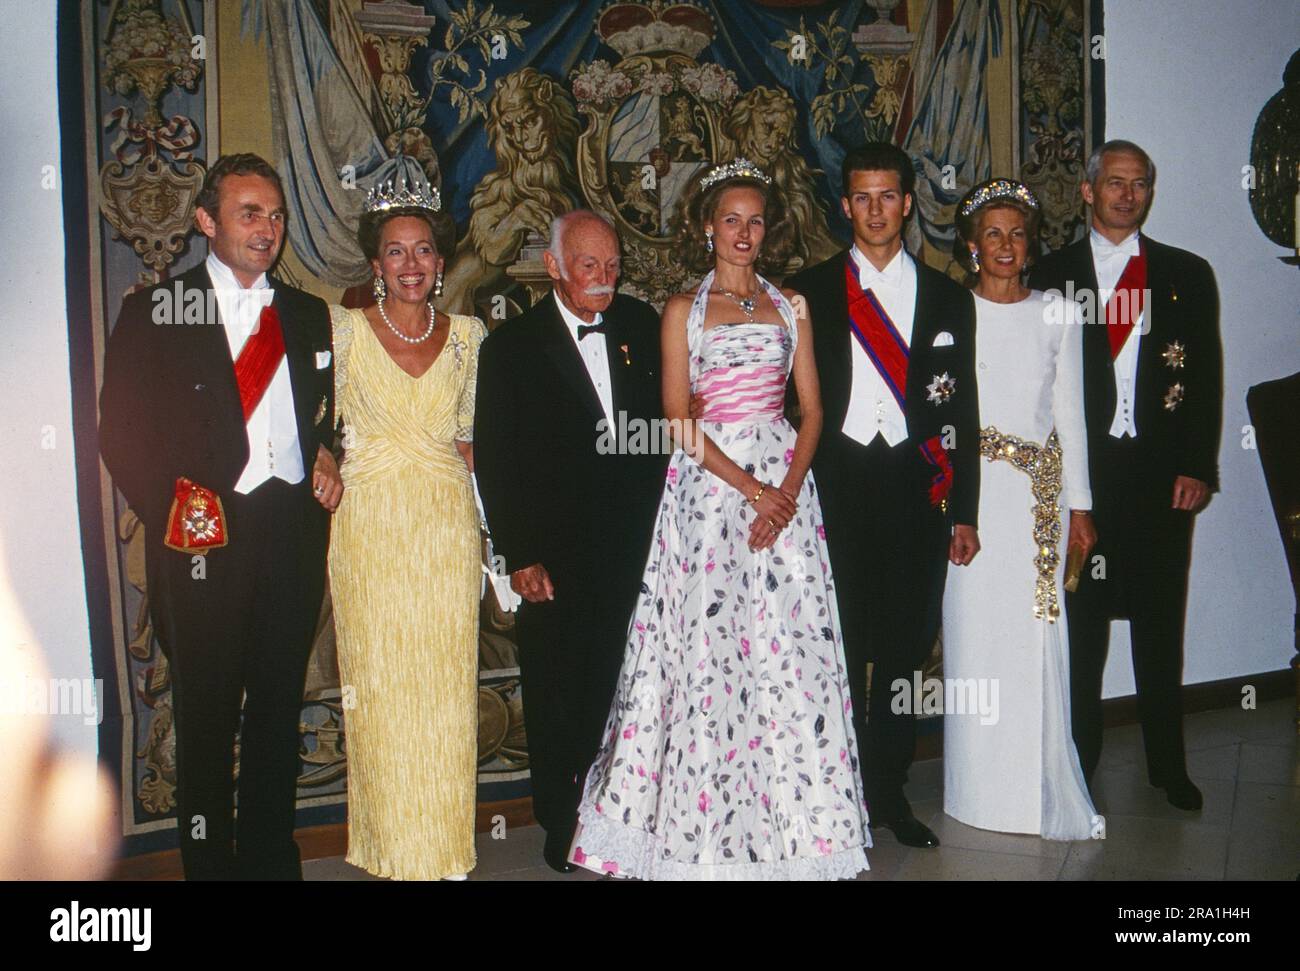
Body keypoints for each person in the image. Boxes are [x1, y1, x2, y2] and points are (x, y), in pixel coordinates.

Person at [570, 159, 871, 880]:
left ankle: (800, 829)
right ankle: (701, 833)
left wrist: (786, 493)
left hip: (784, 483)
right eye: (730, 220)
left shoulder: (793, 303)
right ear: (707, 227)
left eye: (756, 220)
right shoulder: (682, 309)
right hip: (710, 489)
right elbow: (677, 419)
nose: (744, 233)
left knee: (788, 652)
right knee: (709, 652)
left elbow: (816, 411)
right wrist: (750, 490)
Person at [99, 153, 340, 880]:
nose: (267, 229)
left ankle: (272, 862)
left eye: (274, 214)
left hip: (291, 537)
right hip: (205, 542)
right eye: (249, 213)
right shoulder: (156, 309)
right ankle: (210, 868)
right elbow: (119, 430)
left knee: (275, 711)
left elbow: (323, 418)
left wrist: (329, 454)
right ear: (207, 221)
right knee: (206, 720)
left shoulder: (305, 312)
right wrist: (175, 507)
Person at [785, 142, 981, 849]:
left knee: (900, 650)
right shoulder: (803, 292)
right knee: (834, 648)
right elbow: (785, 405)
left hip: (913, 490)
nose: (875, 210)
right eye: (861, 197)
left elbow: (962, 413)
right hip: (833, 490)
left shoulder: (949, 295)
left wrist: (964, 512)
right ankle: (832, 791)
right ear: (845, 204)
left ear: (907, 202)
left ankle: (888, 792)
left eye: (887, 196)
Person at [1030, 140, 1222, 811]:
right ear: (1087, 191)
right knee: (1081, 629)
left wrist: (1199, 464)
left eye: (1140, 183)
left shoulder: (1185, 273)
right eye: (1115, 183)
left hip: (1159, 478)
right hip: (1086, 482)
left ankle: (1168, 764)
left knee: (1160, 624)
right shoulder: (1049, 274)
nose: (1128, 195)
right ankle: (1078, 763)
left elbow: (1205, 378)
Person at [473, 210, 666, 872]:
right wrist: (519, 554)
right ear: (554, 266)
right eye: (590, 266)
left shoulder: (644, 325)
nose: (605, 279)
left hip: (637, 545)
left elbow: (670, 434)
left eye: (613, 266)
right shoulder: (511, 347)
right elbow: (496, 460)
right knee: (558, 692)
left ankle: (628, 817)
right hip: (551, 558)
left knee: (630, 686)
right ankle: (563, 820)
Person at [327, 177, 486, 880]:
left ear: (441, 261)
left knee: (446, 693)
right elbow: (307, 421)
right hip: (369, 535)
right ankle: (391, 851)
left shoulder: (472, 339)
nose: (412, 263)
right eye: (396, 251)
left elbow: (479, 437)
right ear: (376, 264)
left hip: (446, 531)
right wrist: (320, 457)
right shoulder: (343, 332)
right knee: (383, 694)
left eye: (423, 249)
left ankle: (446, 852)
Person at [941, 178, 1103, 839]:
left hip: (1037, 500)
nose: (1005, 246)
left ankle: (1034, 791)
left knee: (1033, 642)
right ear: (973, 245)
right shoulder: (951, 312)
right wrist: (949, 500)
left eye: (1016, 234)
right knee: (976, 641)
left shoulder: (1058, 311)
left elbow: (1072, 417)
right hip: (973, 500)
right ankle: (976, 791)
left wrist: (1081, 508)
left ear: (1029, 244)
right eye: (993, 234)